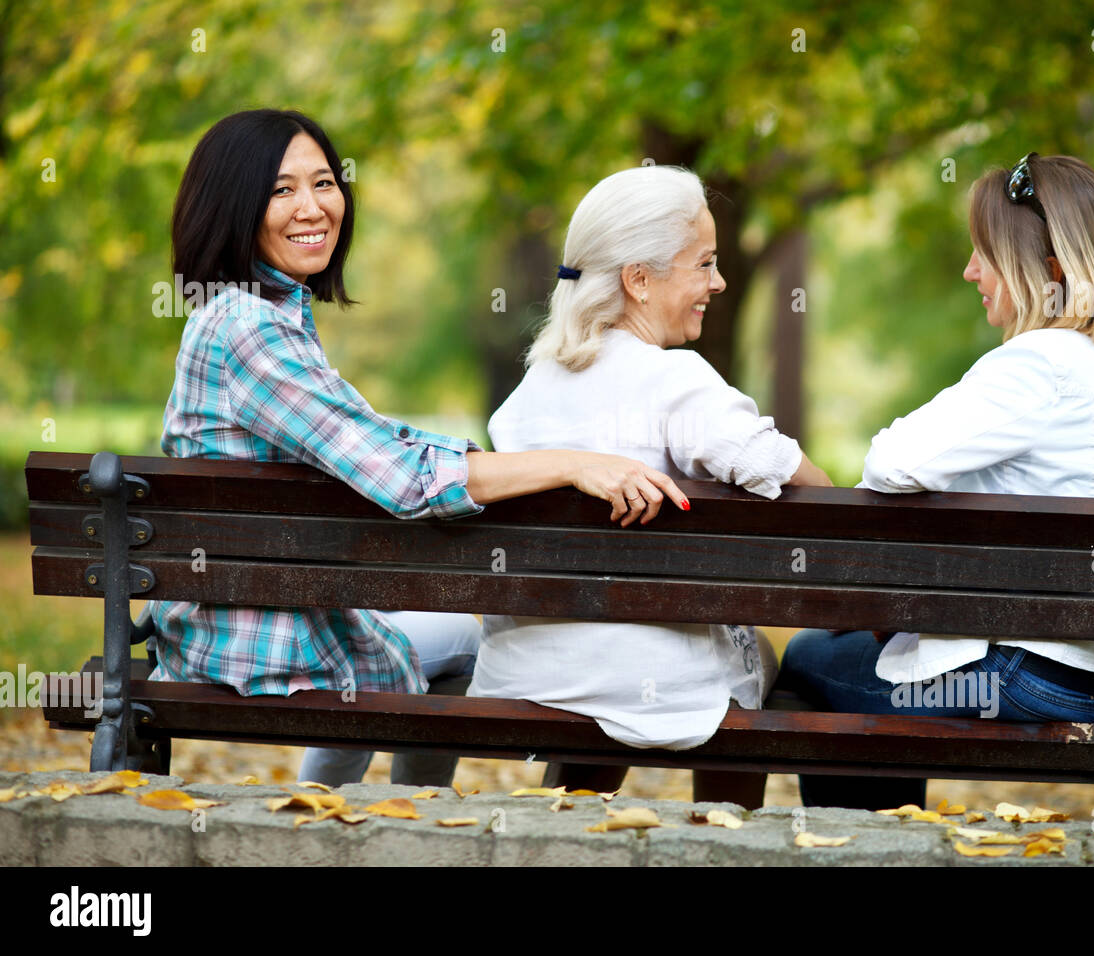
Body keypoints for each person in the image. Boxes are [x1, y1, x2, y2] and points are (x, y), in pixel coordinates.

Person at [150, 110, 690, 788]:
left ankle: (341, 812)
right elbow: (403, 477)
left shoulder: (242, 317)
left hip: (237, 611)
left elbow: (371, 442)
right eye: (281, 190)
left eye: (324, 182)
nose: (313, 206)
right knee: (464, 641)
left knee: (433, 634)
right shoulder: (249, 332)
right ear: (232, 204)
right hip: (253, 641)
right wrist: (574, 462)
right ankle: (405, 821)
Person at [776, 153, 1094, 810]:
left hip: (1024, 684)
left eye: (985, 255)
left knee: (810, 659)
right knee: (866, 669)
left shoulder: (1035, 365)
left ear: (1047, 272)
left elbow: (890, 463)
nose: (971, 271)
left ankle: (863, 851)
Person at [467, 165, 832, 807]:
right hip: (663, 683)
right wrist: (815, 474)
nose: (717, 282)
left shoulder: (525, 398)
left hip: (530, 669)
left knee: (615, 648)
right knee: (756, 662)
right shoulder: (675, 380)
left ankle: (572, 824)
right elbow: (804, 491)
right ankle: (728, 832)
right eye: (704, 264)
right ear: (638, 279)